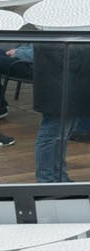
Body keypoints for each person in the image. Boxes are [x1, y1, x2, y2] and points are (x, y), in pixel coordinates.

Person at [35, 41, 90, 183]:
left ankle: (59, 177)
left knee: (62, 134)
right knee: (52, 134)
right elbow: (56, 50)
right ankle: (47, 180)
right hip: (59, 82)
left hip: (71, 82)